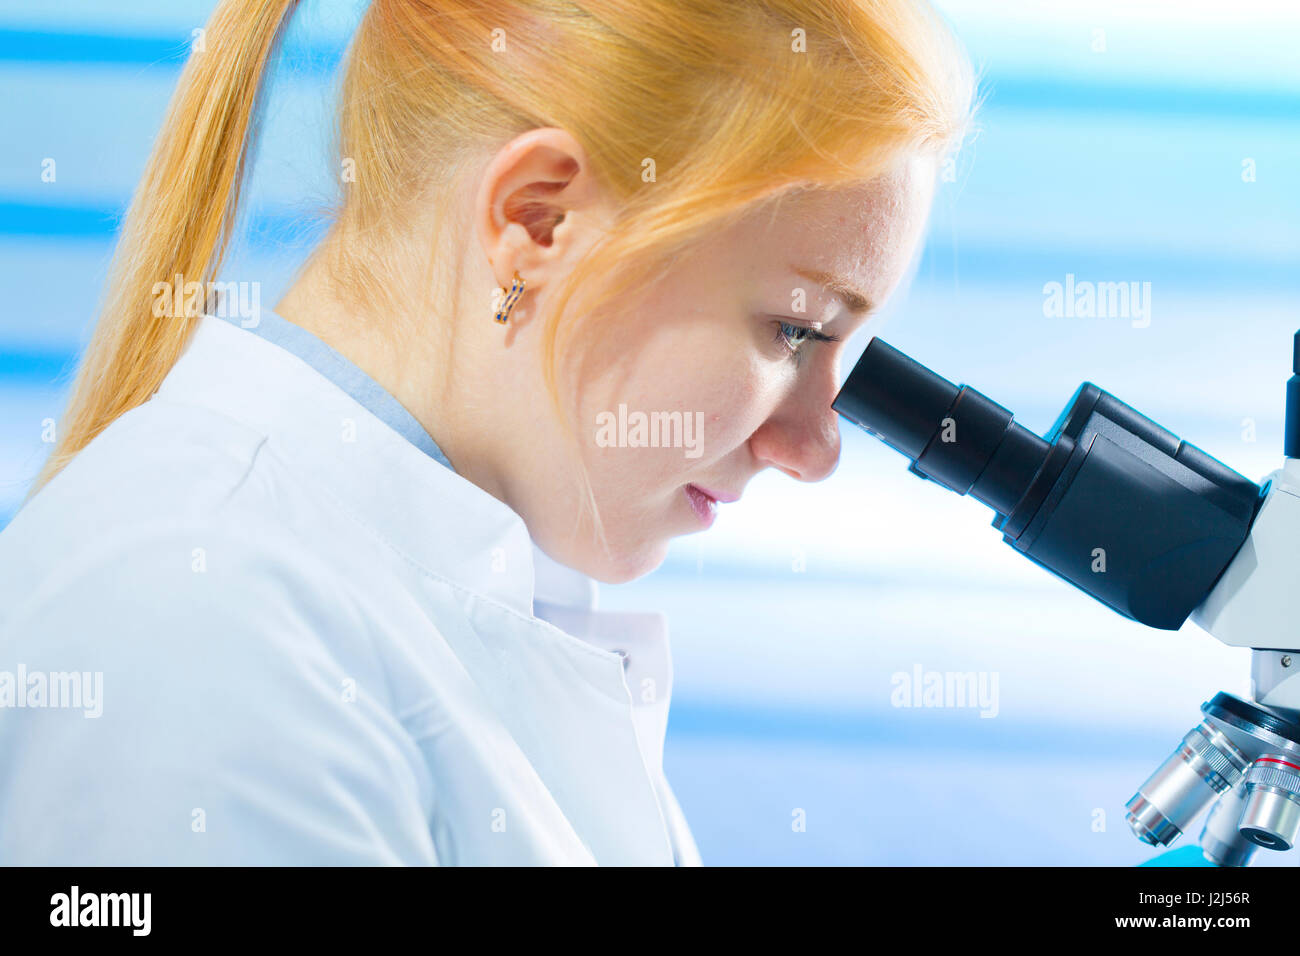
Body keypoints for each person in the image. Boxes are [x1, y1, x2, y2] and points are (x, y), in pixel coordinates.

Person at [0, 0, 973, 864]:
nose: (813, 449)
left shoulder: (452, 593)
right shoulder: (201, 622)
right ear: (537, 219)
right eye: (795, 328)